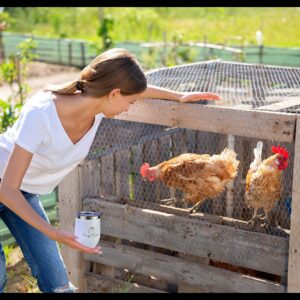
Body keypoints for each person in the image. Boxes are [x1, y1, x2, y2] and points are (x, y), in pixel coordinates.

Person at [0, 48, 220, 293]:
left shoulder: (99, 108)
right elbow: (7, 190)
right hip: (7, 186)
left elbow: (139, 90)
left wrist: (179, 96)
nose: (130, 107)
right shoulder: (40, 114)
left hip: (25, 193)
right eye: (130, 101)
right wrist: (53, 232)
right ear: (114, 93)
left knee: (59, 284)